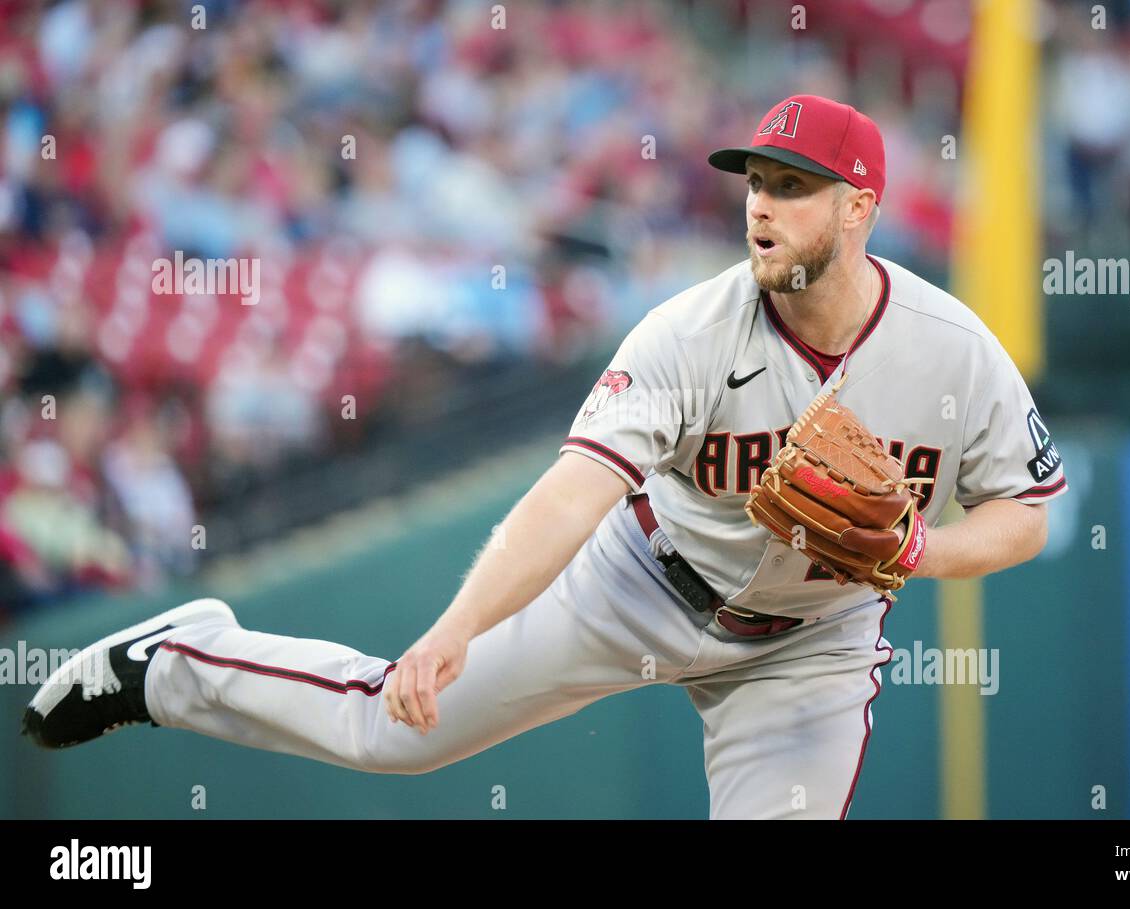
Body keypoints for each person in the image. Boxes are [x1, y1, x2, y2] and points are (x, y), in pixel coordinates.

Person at [23, 95, 1067, 820]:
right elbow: (573, 493)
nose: (759, 203)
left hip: (812, 647)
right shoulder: (688, 333)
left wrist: (917, 550)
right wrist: (455, 630)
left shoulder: (950, 350)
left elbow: (1029, 512)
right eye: (754, 178)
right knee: (391, 730)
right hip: (636, 585)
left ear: (857, 207)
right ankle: (178, 663)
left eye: (792, 184)